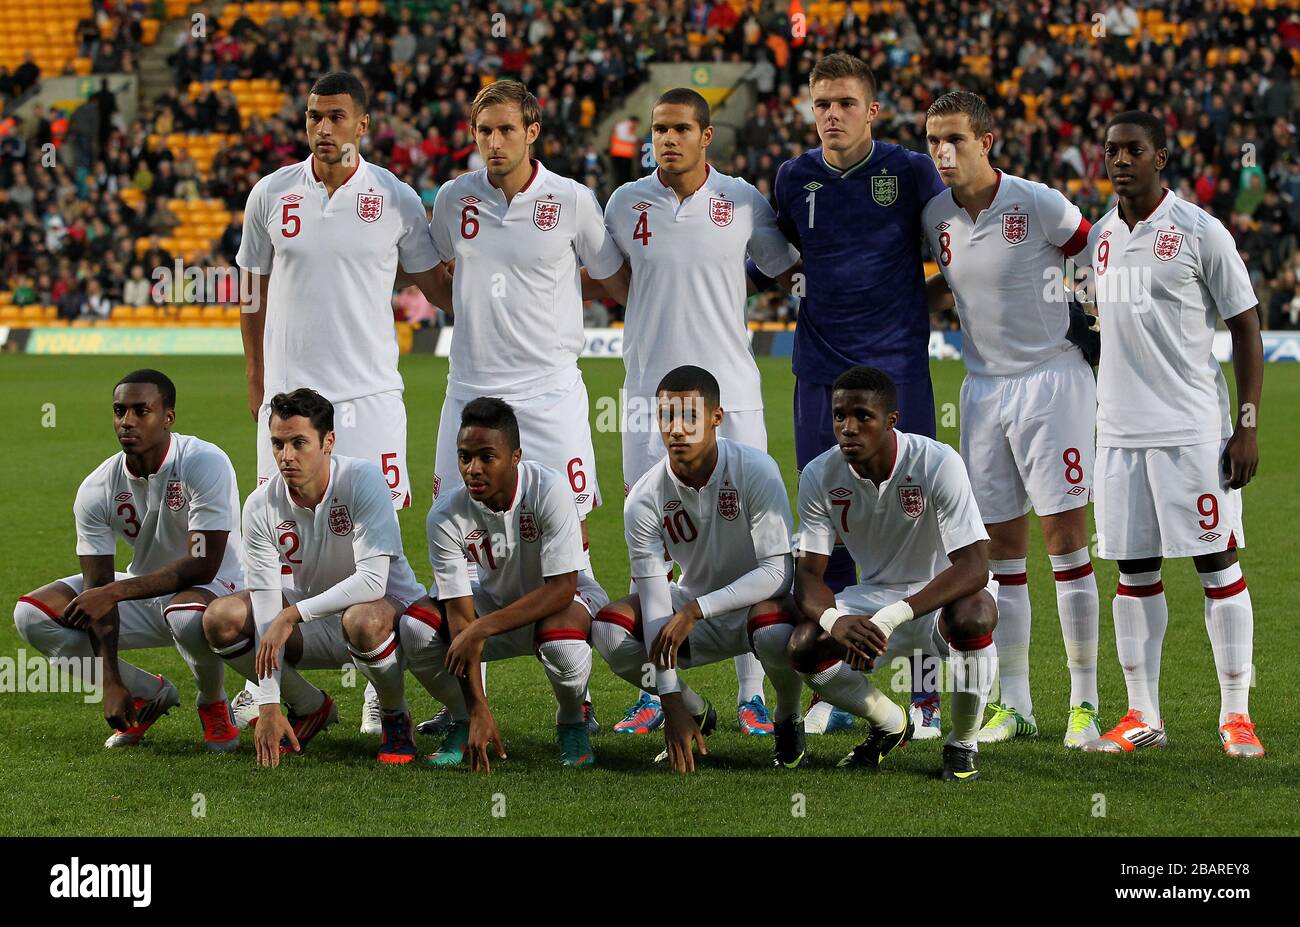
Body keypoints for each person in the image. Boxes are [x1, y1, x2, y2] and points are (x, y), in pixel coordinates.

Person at [234, 71, 450, 737]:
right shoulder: (271, 194)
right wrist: (254, 380)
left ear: (362, 124)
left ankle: (374, 667)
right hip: (290, 403)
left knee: (376, 543)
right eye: (313, 116)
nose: (323, 128)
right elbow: (250, 290)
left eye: (336, 117)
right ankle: (279, 685)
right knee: (282, 535)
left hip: (369, 399)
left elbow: (438, 286)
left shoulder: (395, 197)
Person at [418, 79, 626, 736]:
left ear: (533, 129)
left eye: (507, 129)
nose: (494, 143)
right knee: (455, 541)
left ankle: (579, 696)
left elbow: (615, 278)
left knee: (576, 552)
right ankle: (463, 707)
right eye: (484, 132)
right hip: (471, 392)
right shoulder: (454, 200)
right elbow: (433, 272)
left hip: (551, 396)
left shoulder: (570, 200)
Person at [601, 87, 800, 738]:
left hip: (731, 397)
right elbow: (606, 274)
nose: (668, 139)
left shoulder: (742, 199)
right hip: (644, 400)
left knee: (747, 543)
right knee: (650, 541)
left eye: (682, 128)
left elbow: (786, 264)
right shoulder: (625, 202)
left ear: (708, 135)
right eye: (659, 129)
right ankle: (665, 692)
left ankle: (752, 694)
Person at [762, 52, 948, 737]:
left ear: (873, 110)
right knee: (827, 535)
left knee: (920, 536)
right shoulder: (794, 177)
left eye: (845, 102)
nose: (831, 114)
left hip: (898, 372)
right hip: (819, 375)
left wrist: (911, 307)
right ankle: (838, 689)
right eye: (821, 104)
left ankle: (926, 693)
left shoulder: (909, 170)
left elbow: (954, 254)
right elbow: (771, 256)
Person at [1080, 112, 1265, 758]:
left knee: (1217, 563)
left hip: (1191, 431)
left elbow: (1246, 325)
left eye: (1135, 150)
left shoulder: (1198, 231)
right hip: (1120, 436)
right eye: (1112, 150)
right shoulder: (1100, 238)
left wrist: (1245, 426)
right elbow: (1095, 329)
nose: (1121, 160)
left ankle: (1236, 715)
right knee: (1132, 571)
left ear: (1162, 157)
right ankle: (1142, 714)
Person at [922, 90, 1102, 747]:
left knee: (1066, 543)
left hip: (1052, 381)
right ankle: (1018, 704)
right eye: (934, 140)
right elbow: (956, 273)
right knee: (1001, 556)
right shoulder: (935, 213)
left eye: (955, 140)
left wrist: (1094, 317)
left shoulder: (1036, 201)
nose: (943, 152)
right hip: (982, 391)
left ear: (987, 141)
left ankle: (1085, 703)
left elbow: (1093, 252)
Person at [12, 369, 243, 752]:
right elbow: (96, 584)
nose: (127, 422)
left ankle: (213, 703)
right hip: (146, 590)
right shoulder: (98, 487)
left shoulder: (203, 461)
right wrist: (110, 681)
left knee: (184, 613)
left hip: (219, 591)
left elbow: (203, 564)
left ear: (167, 417)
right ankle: (147, 695)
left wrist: (114, 592)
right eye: (120, 411)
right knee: (32, 616)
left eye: (141, 411)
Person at [788, 367, 999, 782]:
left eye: (862, 416)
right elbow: (808, 575)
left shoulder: (937, 462)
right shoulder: (819, 474)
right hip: (876, 595)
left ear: (891, 421)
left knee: (974, 616)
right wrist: (835, 619)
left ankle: (961, 743)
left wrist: (894, 616)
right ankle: (889, 723)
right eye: (839, 416)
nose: (848, 429)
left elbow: (975, 566)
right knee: (803, 645)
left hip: (941, 598)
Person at [592, 366, 806, 773]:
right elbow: (656, 600)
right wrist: (670, 702)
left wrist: (695, 610)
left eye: (689, 417)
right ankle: (696, 709)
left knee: (776, 632)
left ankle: (787, 718)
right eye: (666, 417)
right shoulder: (643, 498)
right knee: (607, 629)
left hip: (757, 607)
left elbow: (779, 573)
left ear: (716, 418)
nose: (676, 429)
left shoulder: (756, 470)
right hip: (694, 608)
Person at [202, 389, 431, 767]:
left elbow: (373, 582)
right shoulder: (261, 504)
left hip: (392, 623)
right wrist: (269, 701)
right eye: (277, 444)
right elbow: (263, 604)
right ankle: (308, 706)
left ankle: (395, 716)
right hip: (318, 621)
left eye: (298, 443)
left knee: (360, 617)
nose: (286, 456)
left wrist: (291, 615)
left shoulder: (362, 479)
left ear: (328, 442)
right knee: (220, 619)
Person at [400, 398, 607, 770]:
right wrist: (478, 707)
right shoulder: (446, 514)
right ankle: (463, 720)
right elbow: (460, 615)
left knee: (560, 638)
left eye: (486, 457)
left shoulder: (549, 488)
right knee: (415, 627)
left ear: (515, 457)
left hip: (563, 604)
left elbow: (562, 588)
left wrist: (482, 627)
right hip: (494, 603)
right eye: (464, 457)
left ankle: (572, 720)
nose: (472, 469)